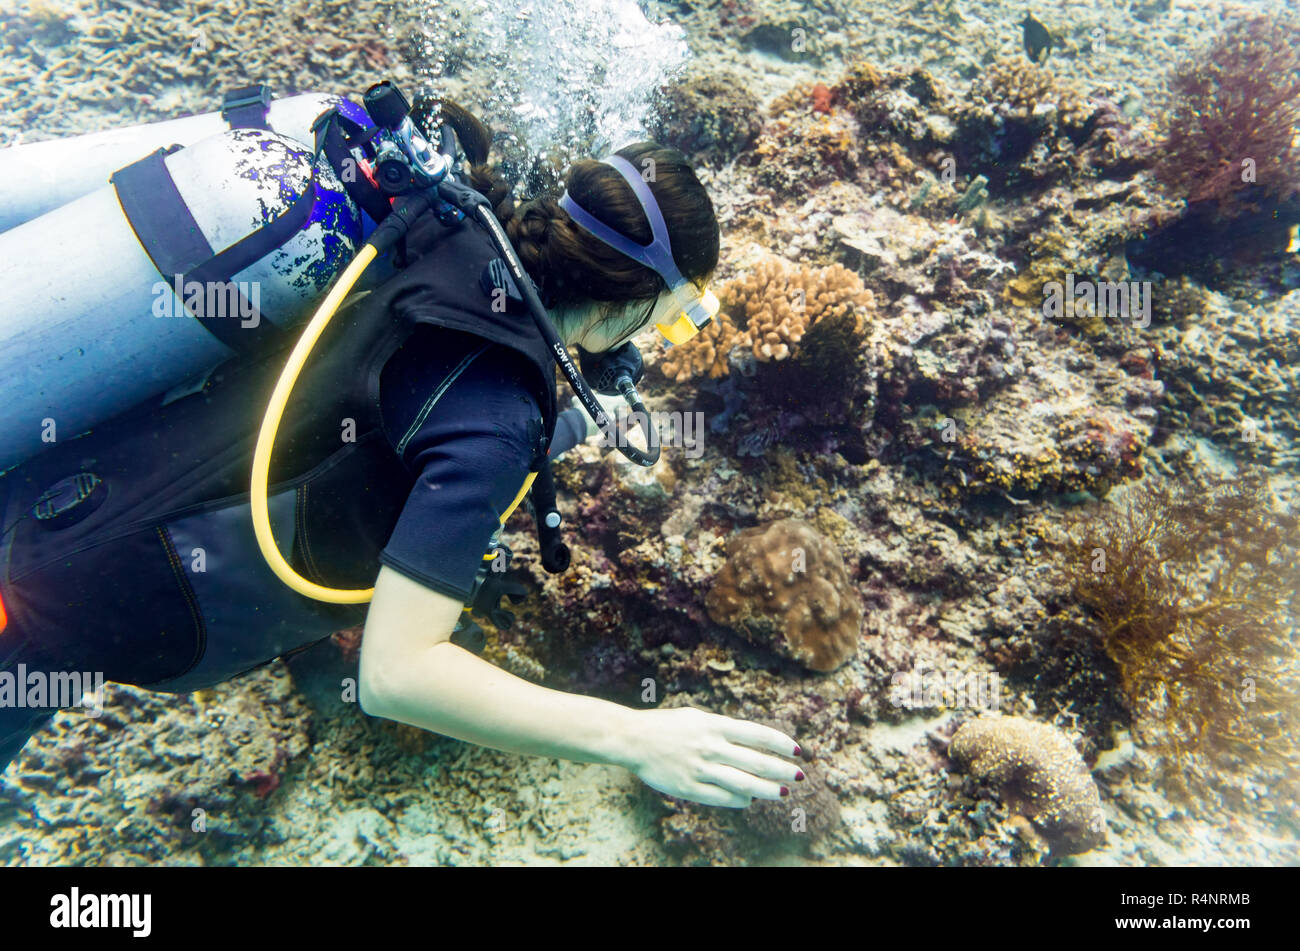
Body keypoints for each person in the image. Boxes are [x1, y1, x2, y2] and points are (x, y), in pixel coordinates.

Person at [0, 101, 803, 808]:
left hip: (60, 486)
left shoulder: (448, 225)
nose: (663, 338)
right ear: (638, 296)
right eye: (675, 315)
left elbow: (417, 406)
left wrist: (583, 417)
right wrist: (638, 739)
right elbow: (397, 674)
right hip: (71, 598)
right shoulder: (495, 420)